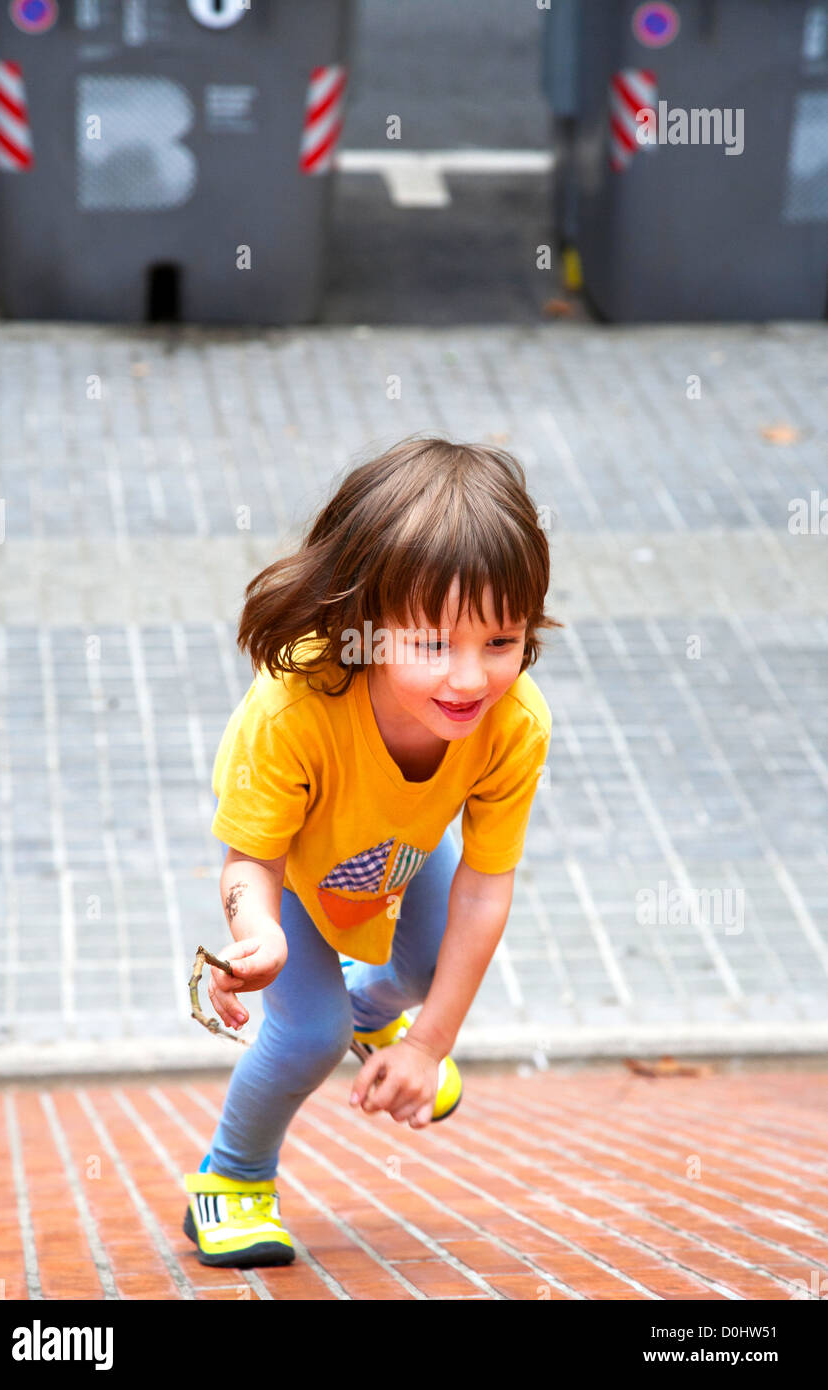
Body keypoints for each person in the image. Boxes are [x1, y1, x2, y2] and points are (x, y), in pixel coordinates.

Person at [182, 435, 557, 1268]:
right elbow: (250, 858)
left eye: (500, 642)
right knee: (309, 1034)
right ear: (364, 621)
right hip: (300, 879)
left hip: (402, 861)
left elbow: (486, 890)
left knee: (429, 971)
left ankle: (374, 1014)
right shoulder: (294, 709)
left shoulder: (514, 722)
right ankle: (232, 1179)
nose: (469, 680)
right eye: (433, 645)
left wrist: (428, 1045)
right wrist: (261, 934)